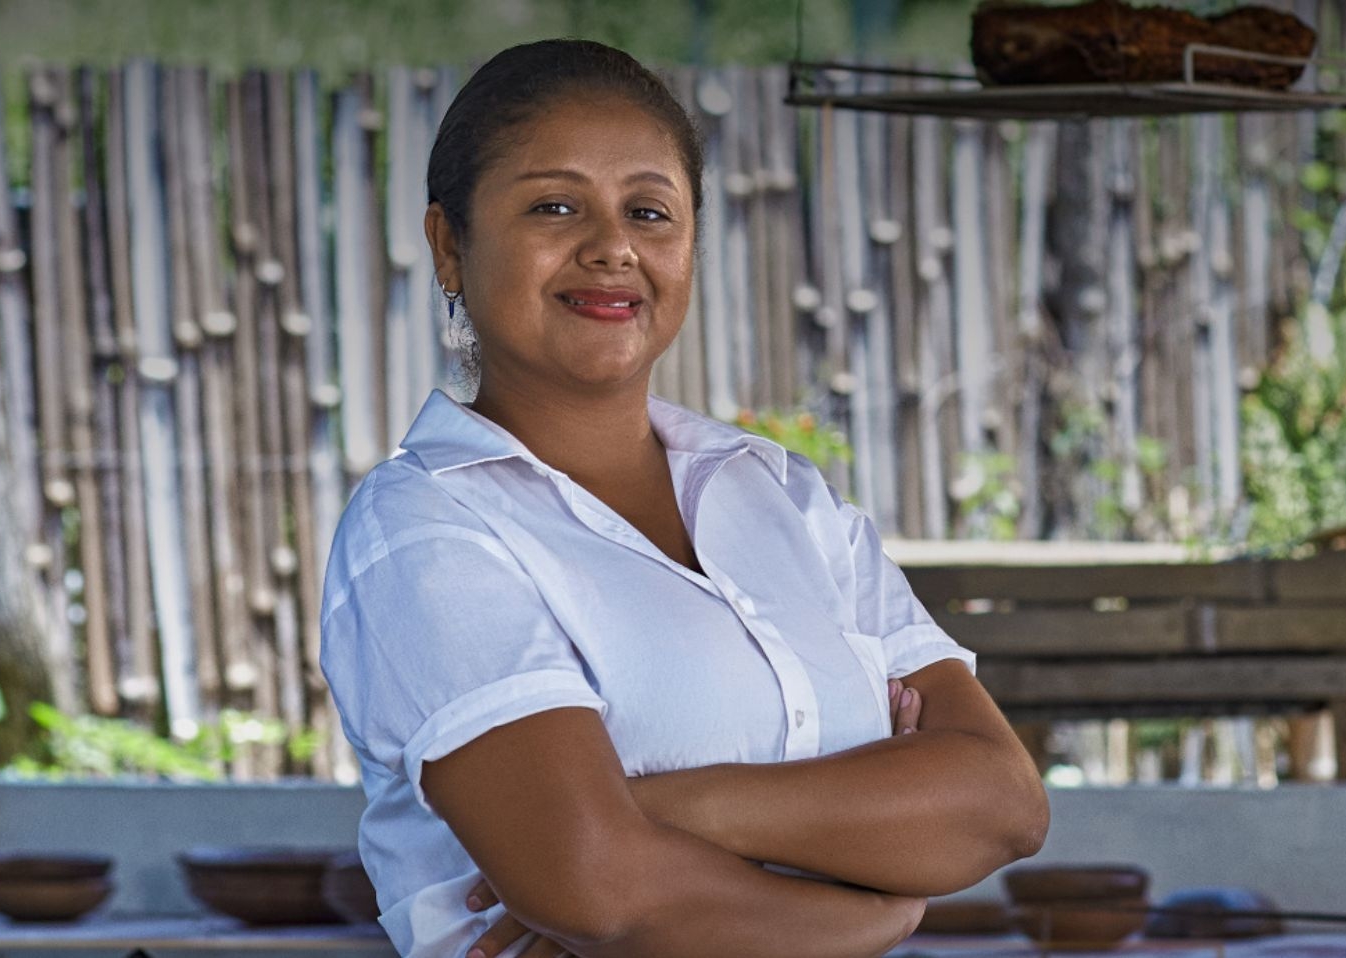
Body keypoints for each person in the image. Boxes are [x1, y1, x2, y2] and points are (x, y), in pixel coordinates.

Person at [320, 38, 1049, 958]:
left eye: (650, 212)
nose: (613, 247)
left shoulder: (785, 500)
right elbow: (599, 888)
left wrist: (653, 806)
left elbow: (1002, 805)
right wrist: (875, 907)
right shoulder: (426, 529)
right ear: (450, 244)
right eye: (554, 206)